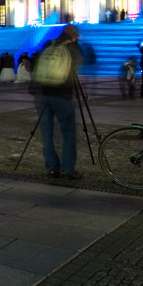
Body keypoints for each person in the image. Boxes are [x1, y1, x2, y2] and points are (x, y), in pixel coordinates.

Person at [31, 24, 83, 179]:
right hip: (61, 94)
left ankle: (53, 167)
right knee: (68, 132)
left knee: (46, 133)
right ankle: (68, 169)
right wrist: (77, 45)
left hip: (41, 93)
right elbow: (85, 61)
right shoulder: (72, 48)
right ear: (73, 35)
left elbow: (37, 64)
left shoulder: (48, 44)